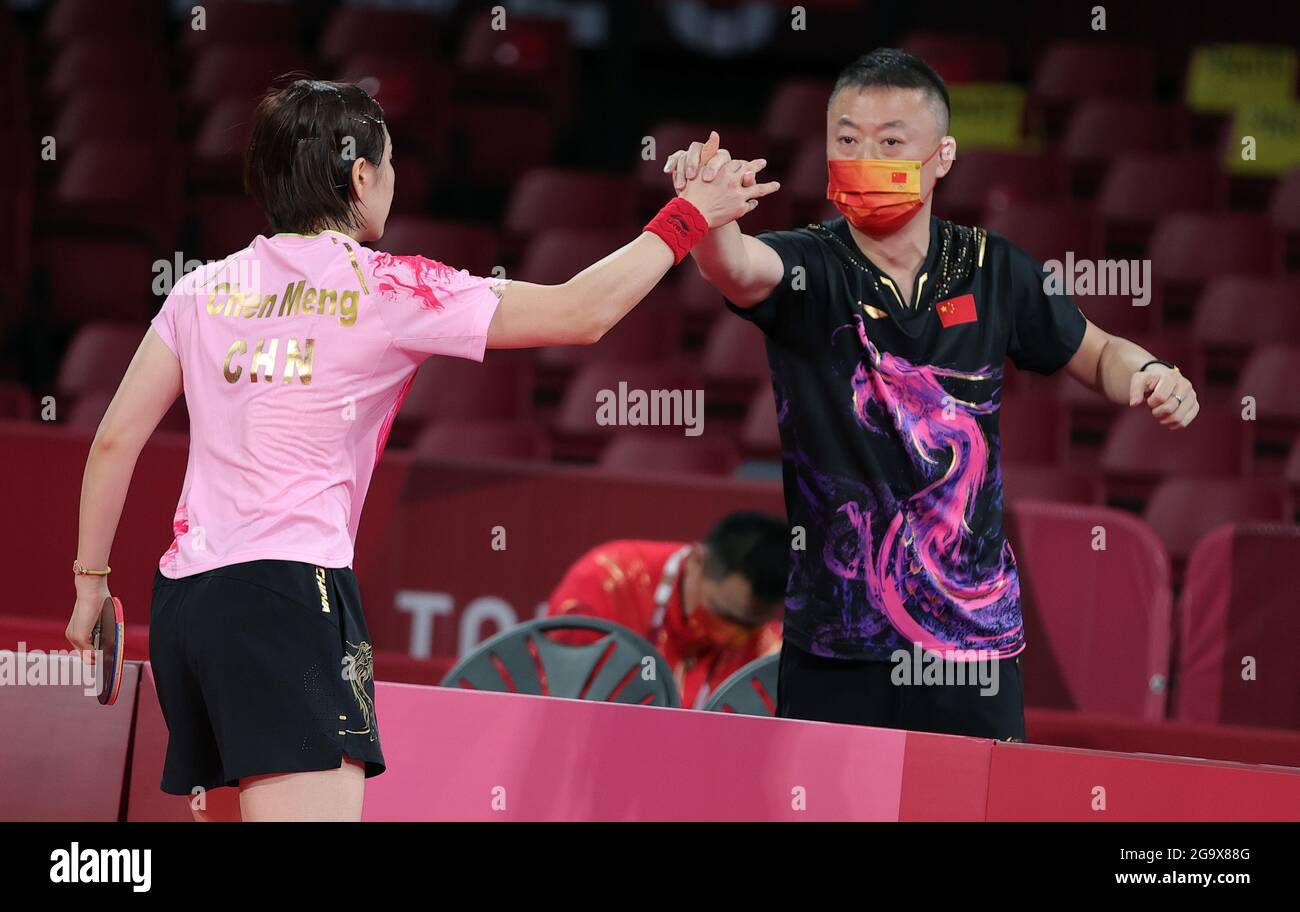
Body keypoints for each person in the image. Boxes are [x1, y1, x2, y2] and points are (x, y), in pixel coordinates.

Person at [64, 79, 778, 821]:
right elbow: (581, 311)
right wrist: (688, 217)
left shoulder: (201, 290)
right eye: (390, 163)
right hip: (288, 596)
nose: (394, 179)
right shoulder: (389, 289)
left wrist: (91, 585)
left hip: (186, 605)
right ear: (360, 176)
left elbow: (115, 440)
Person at [663, 49, 1200, 740]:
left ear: (942, 157)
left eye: (891, 142)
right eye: (847, 140)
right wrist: (707, 215)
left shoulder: (993, 268)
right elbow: (735, 267)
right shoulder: (808, 265)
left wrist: (1150, 371)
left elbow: (1096, 353)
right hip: (837, 638)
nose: (864, 158)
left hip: (971, 643)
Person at [545, 511, 788, 708]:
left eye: (752, 625)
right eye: (725, 616)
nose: (733, 636)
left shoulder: (769, 646)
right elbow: (557, 694)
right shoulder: (605, 582)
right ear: (697, 561)